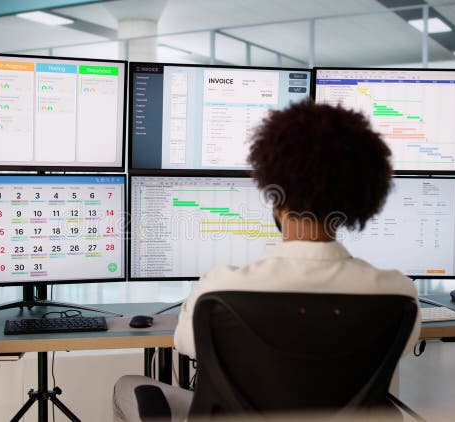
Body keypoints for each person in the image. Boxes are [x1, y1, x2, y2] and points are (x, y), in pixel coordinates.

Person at [113, 99, 421, 421]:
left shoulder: (218, 292)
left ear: (275, 198)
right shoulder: (398, 294)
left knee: (128, 385)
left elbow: (187, 345)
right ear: (363, 198)